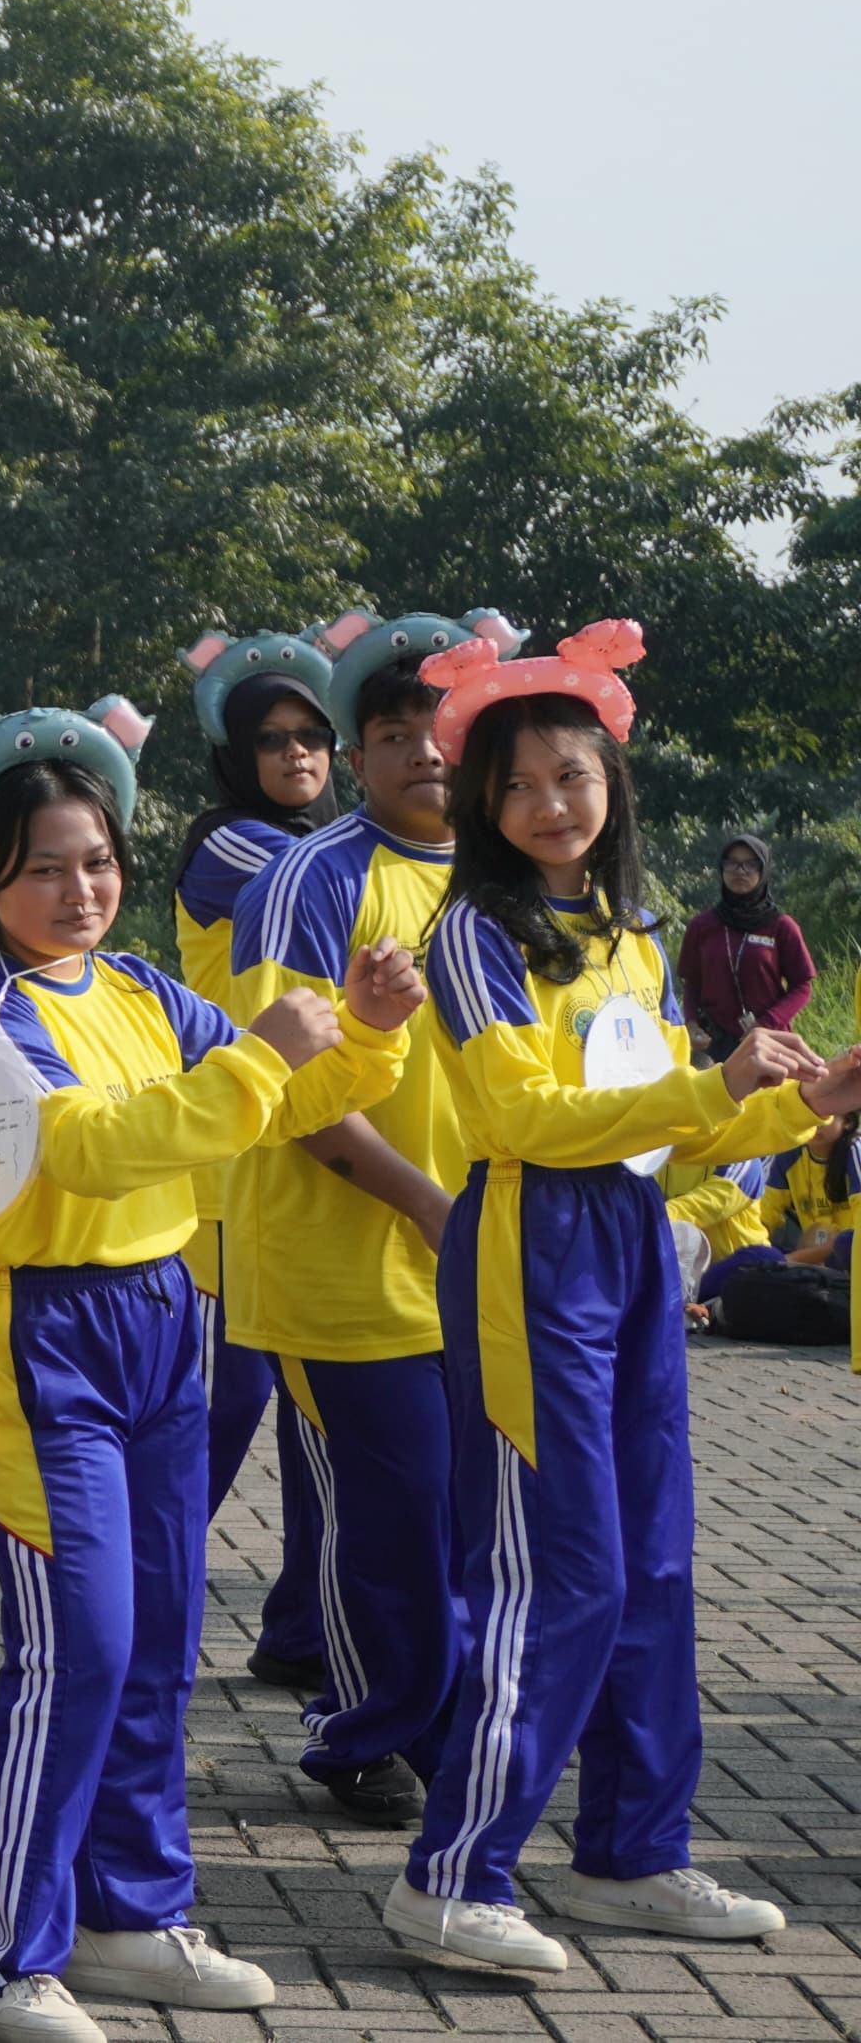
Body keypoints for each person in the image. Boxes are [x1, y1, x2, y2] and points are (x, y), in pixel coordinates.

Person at [0, 697, 414, 2043]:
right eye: (45, 865)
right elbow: (95, 1146)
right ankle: (4, 1955)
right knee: (79, 1644)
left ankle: (131, 1909)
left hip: (167, 1318)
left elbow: (275, 1098)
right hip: (36, 1333)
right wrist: (259, 1061)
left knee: (162, 1638)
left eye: (98, 860)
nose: (80, 888)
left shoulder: (143, 990)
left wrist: (369, 1032)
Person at [385, 623, 855, 1973]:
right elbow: (525, 1115)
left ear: (614, 787)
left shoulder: (632, 930)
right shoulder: (473, 930)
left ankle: (631, 1852)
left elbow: (651, 1135)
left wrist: (789, 1103)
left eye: (574, 778)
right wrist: (713, 1090)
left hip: (631, 1246)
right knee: (560, 1573)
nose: (551, 805)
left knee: (653, 1562)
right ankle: (452, 1871)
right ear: (484, 800)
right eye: (522, 784)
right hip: (531, 1250)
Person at [223, 608, 513, 1830]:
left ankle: (438, 1728)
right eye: (390, 732)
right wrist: (430, 1208)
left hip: (480, 1253)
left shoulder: (508, 876)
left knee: (463, 1523)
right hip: (345, 1259)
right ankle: (363, 1729)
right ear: (354, 752)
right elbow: (290, 1094)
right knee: (382, 1522)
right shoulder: (307, 878)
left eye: (436, 727)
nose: (420, 754)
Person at [167, 626, 342, 1676]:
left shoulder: (330, 838)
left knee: (318, 1423)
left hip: (318, 1165)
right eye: (271, 739)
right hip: (233, 1180)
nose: (294, 755)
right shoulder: (228, 843)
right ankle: (142, 1618)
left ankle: (303, 1634)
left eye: (313, 736)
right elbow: (331, 878)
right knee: (215, 1416)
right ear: (236, 755)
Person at [677, 833, 816, 1066]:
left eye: (750, 864)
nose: (740, 870)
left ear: (763, 871)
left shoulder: (781, 927)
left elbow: (802, 986)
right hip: (715, 1045)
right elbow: (692, 984)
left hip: (769, 1042)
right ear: (721, 868)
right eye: (732, 862)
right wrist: (691, 1023)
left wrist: (766, 1024)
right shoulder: (702, 926)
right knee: (714, 1101)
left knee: (768, 1102)